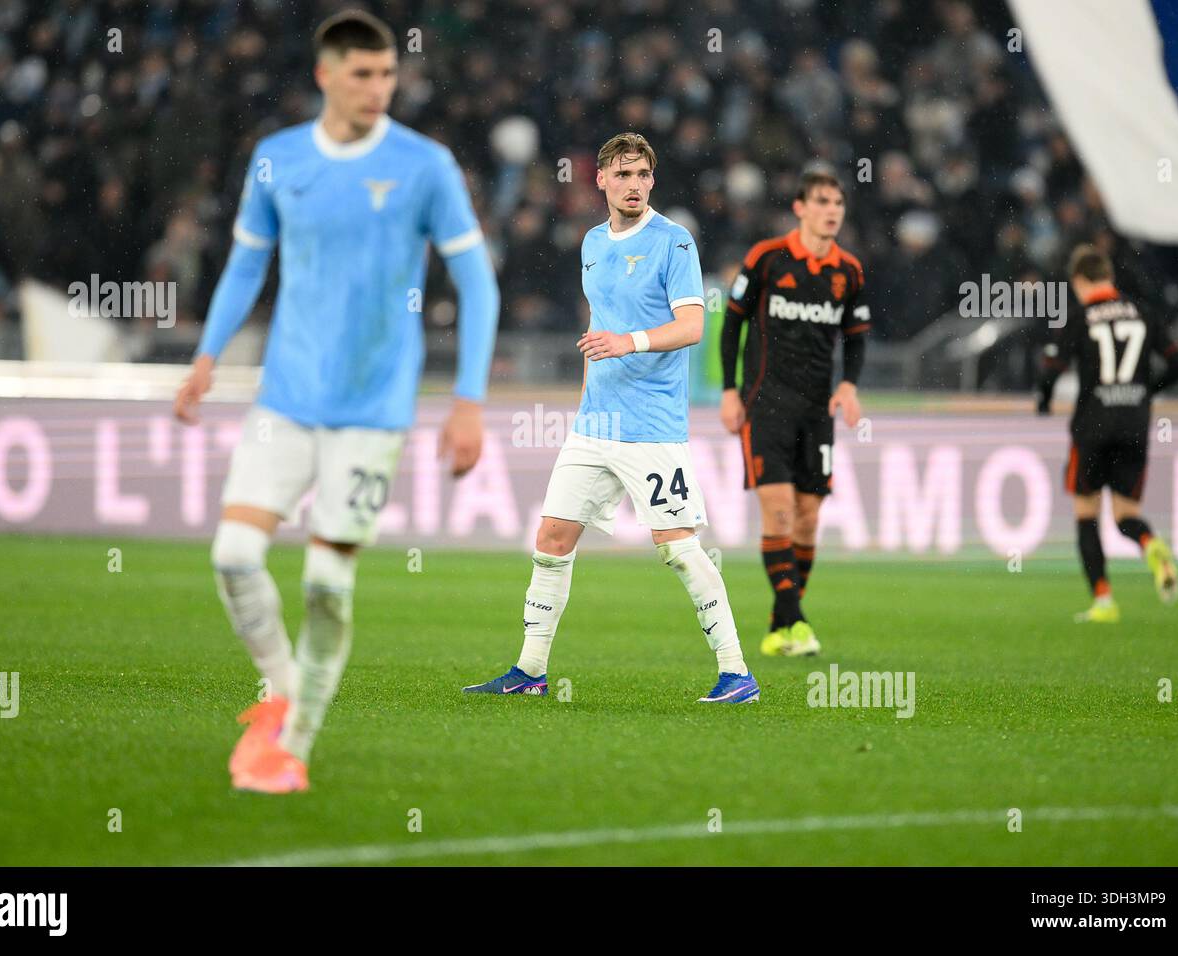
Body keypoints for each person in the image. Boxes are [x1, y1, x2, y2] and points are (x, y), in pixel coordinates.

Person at [173, 9, 499, 792]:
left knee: (325, 584)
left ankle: (294, 745)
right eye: (362, 74)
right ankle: (284, 694)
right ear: (326, 75)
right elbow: (246, 268)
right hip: (286, 398)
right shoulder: (276, 160)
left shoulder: (426, 165)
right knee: (233, 556)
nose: (379, 88)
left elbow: (479, 284)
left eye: (388, 74)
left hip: (373, 411)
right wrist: (206, 356)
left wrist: (469, 399)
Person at [463, 132, 759, 704]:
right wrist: (587, 395)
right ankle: (530, 670)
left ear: (653, 180)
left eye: (643, 175)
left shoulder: (674, 243)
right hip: (594, 424)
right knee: (552, 537)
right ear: (599, 179)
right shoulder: (593, 243)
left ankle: (735, 671)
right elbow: (598, 331)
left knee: (676, 545)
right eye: (622, 175)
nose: (634, 185)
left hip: (651, 425)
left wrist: (629, 342)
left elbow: (692, 326)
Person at [719, 168, 870, 657]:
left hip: (816, 410)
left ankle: (779, 624)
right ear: (800, 208)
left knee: (807, 519)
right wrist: (727, 390)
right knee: (779, 512)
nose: (832, 211)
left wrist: (848, 384)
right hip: (765, 406)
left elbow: (856, 336)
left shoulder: (849, 271)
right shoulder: (767, 258)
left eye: (838, 204)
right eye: (823, 202)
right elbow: (732, 325)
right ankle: (799, 622)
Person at [1037, 244, 1178, 622]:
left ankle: (1104, 601)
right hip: (1134, 425)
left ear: (1079, 281)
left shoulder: (1081, 316)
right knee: (1125, 515)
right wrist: (1146, 390)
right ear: (1110, 278)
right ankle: (1150, 543)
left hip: (1092, 426)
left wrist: (1044, 400)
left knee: (1087, 514)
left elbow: (1052, 367)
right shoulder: (1143, 312)